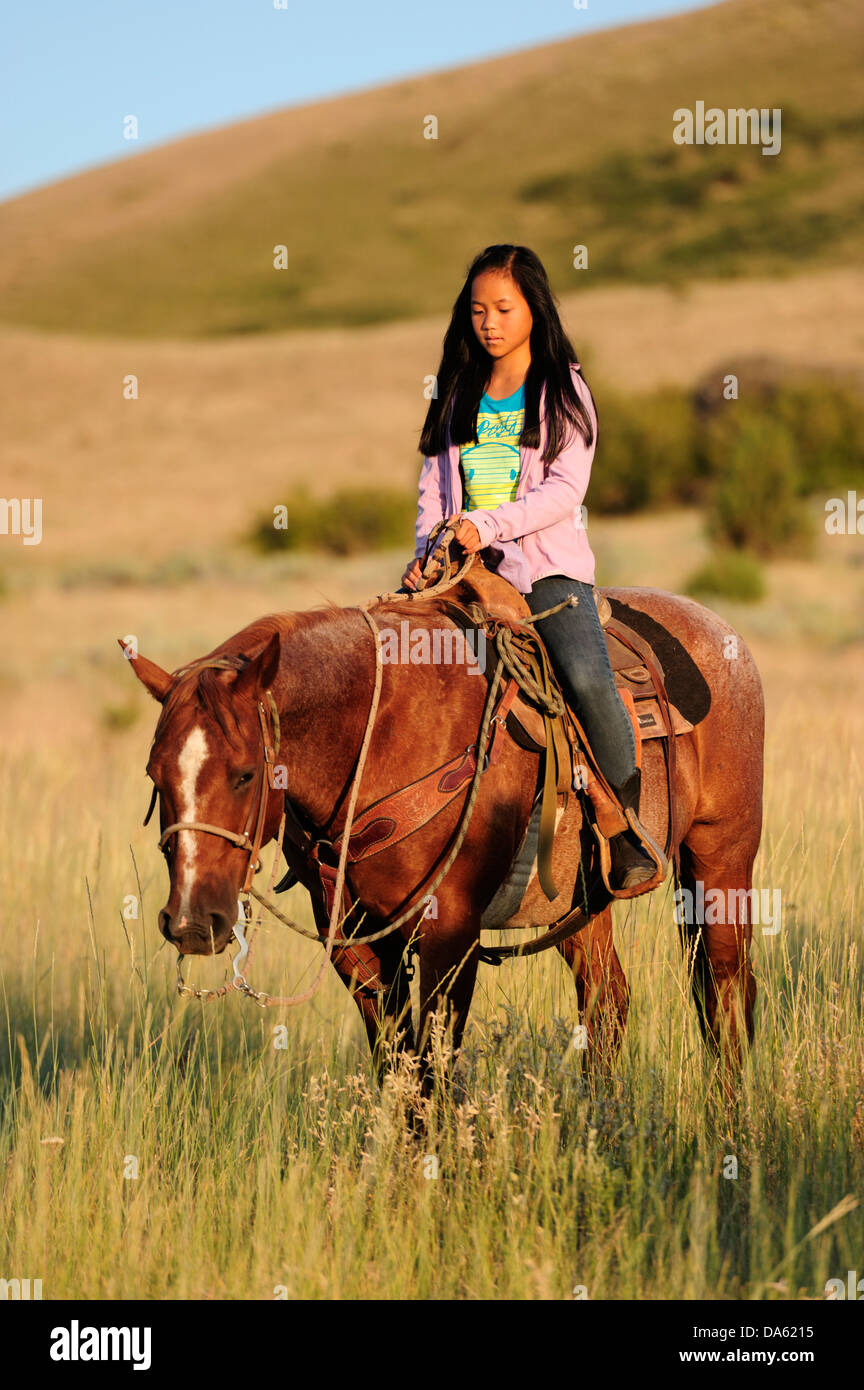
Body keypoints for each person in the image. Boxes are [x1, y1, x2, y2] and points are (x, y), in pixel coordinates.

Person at [401, 243, 657, 891]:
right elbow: (435, 487)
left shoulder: (562, 388)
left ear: (534, 311)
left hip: (546, 574)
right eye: (478, 310)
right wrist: (427, 551)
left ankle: (623, 825)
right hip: (460, 573)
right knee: (394, 666)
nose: (488, 322)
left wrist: (483, 525)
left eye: (503, 309)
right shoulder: (457, 390)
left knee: (586, 679)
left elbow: (564, 491)